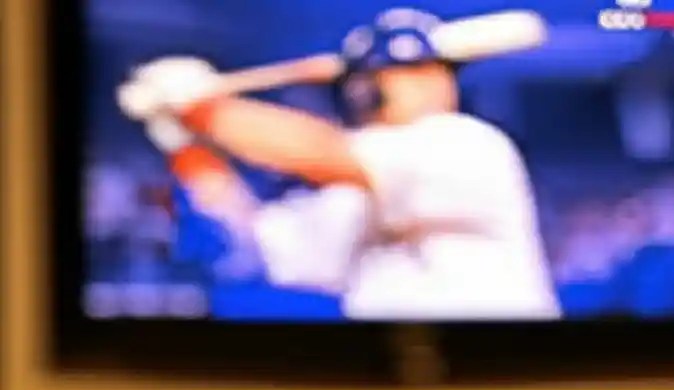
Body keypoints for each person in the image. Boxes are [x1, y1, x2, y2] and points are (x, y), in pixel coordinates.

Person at [115, 8, 562, 320]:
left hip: (502, 366)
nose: (421, 84)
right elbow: (251, 236)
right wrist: (185, 145)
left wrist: (206, 110)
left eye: (428, 70)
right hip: (382, 376)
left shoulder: (467, 145)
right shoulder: (354, 190)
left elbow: (321, 152)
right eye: (398, 73)